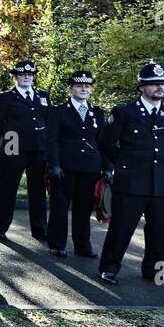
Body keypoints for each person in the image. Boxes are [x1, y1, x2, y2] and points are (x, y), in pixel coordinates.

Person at [98, 61, 164, 286]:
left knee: (159, 231)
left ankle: (155, 272)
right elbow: (105, 142)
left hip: (161, 182)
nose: (159, 87)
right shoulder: (124, 112)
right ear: (141, 87)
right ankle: (109, 268)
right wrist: (125, 163)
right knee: (121, 228)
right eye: (153, 84)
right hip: (131, 181)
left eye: (163, 83)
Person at [44, 70, 111, 259]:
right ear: (71, 88)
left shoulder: (97, 112)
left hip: (90, 168)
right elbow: (52, 140)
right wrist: (54, 165)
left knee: (83, 209)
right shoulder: (58, 111)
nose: (84, 89)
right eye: (80, 86)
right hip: (65, 168)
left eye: (87, 86)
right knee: (59, 207)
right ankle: (57, 244)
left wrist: (107, 168)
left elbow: (103, 142)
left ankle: (82, 246)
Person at [0, 59, 51, 242]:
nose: (26, 77)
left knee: (38, 190)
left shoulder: (42, 96)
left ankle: (40, 229)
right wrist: (13, 136)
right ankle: (0, 227)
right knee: (7, 187)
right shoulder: (5, 97)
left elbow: (48, 120)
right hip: (13, 145)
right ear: (16, 77)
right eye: (23, 75)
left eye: (30, 75)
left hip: (38, 147)